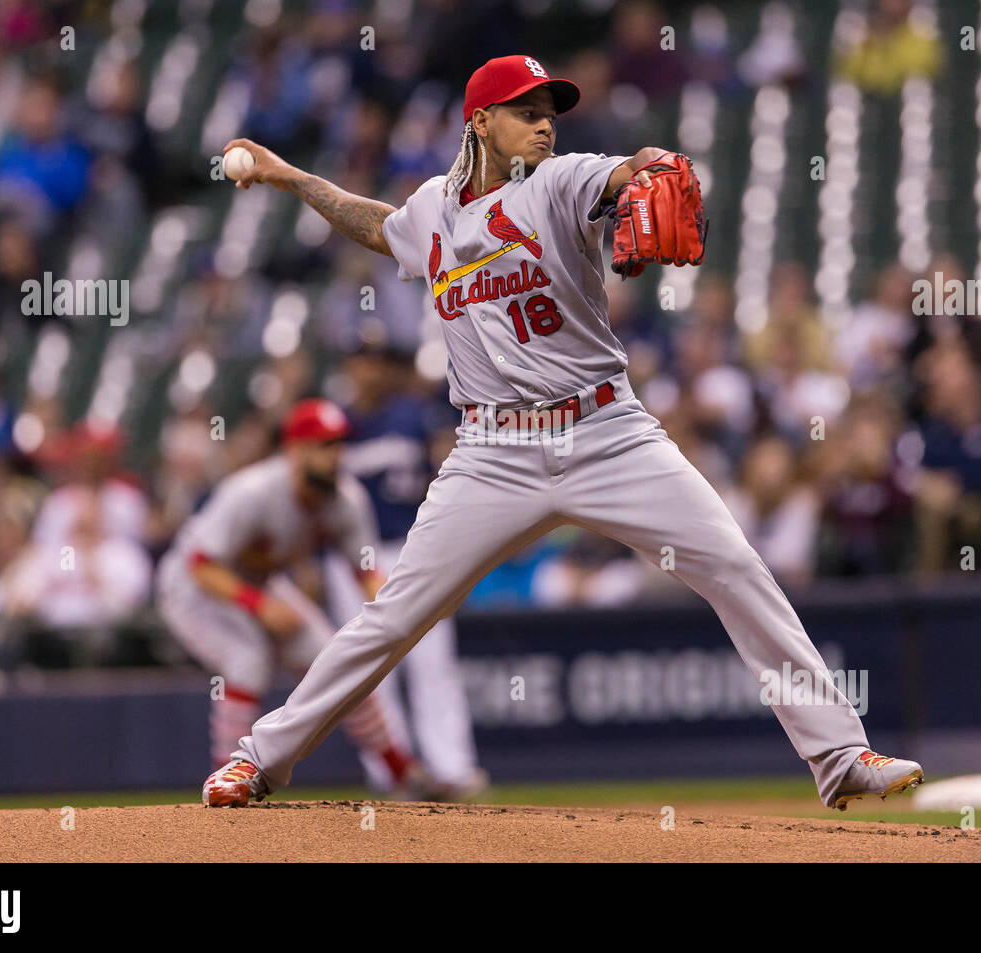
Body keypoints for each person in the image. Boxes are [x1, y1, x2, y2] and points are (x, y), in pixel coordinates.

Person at [203, 54, 922, 811]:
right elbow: (379, 225)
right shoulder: (433, 212)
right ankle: (259, 758)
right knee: (394, 615)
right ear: (480, 121)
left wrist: (656, 166)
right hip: (492, 455)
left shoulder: (556, 180)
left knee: (735, 566)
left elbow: (628, 171)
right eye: (525, 108)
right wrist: (290, 178)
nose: (545, 120)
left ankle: (840, 754)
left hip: (608, 431)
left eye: (551, 108)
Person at [157, 398, 441, 796]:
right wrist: (260, 605)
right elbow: (200, 564)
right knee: (248, 661)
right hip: (191, 588)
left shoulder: (347, 499)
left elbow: (366, 574)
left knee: (340, 662)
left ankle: (401, 775)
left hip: (259, 582)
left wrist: (408, 612)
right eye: (324, 445)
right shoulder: (253, 491)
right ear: (295, 449)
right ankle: (226, 779)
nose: (336, 454)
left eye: (340, 443)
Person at [325, 337, 488, 800]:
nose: (372, 370)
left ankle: (452, 769)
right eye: (363, 360)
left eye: (381, 361)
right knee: (371, 666)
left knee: (431, 661)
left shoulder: (416, 415)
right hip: (353, 557)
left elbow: (450, 468)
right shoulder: (333, 424)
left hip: (415, 548)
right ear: (349, 367)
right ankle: (391, 771)